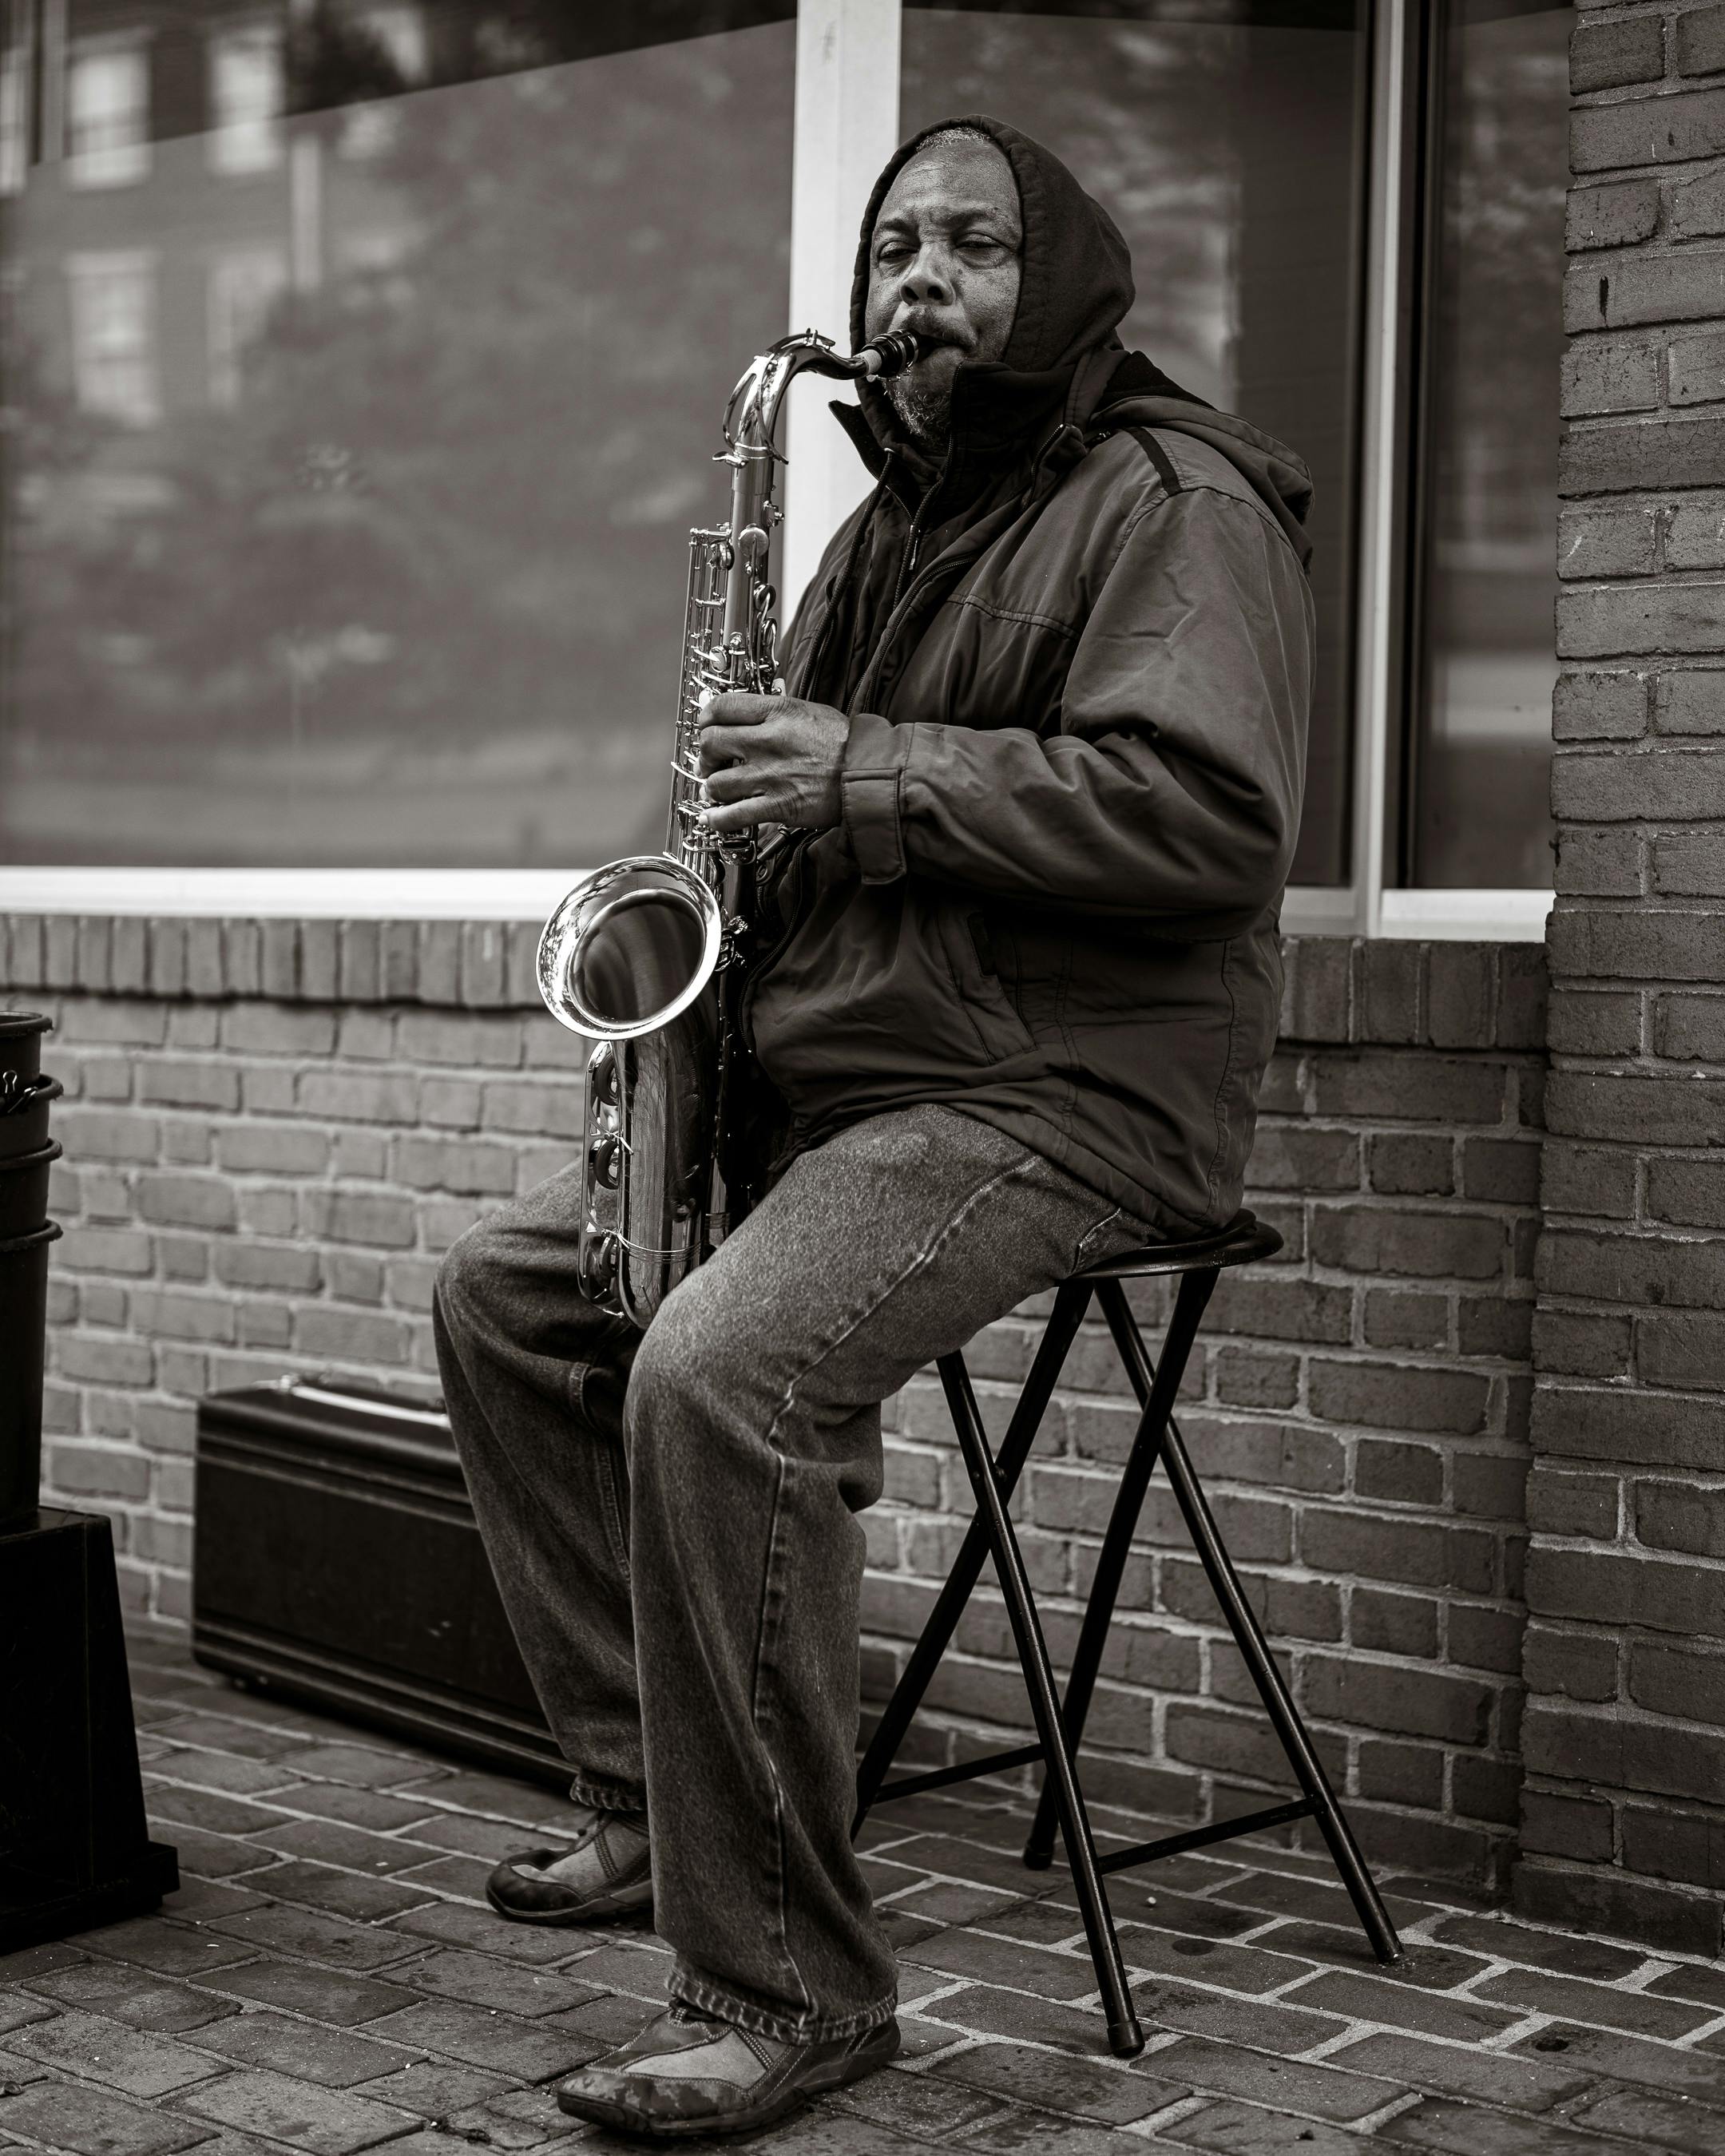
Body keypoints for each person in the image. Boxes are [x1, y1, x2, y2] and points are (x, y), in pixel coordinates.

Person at [433, 113, 1315, 2139]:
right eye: (895, 247)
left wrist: (863, 774)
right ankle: (653, 1807)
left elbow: (1209, 821)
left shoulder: (1173, 502)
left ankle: (793, 1994)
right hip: (874, 1086)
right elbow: (805, 817)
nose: (919, 284)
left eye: (974, 246)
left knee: (721, 1368)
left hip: (1070, 1091)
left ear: (1064, 277)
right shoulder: (879, 537)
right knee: (512, 1300)